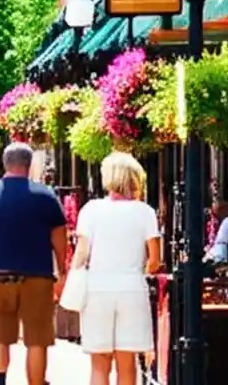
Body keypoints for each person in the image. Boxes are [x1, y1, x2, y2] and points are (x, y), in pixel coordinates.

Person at [0, 143, 68, 385]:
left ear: (4, 164)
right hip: (38, 277)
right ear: (30, 164)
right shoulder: (46, 197)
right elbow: (59, 239)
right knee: (37, 340)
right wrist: (62, 271)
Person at [71, 152, 160, 385]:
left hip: (98, 289)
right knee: (126, 362)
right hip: (131, 289)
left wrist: (72, 280)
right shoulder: (145, 212)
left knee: (99, 364)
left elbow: (81, 254)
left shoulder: (91, 210)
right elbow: (155, 261)